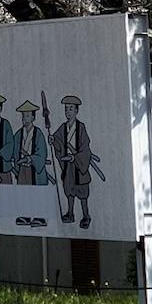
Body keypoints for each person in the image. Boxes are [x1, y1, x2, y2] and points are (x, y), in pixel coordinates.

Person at [53, 93, 100, 228]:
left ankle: (86, 215)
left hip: (79, 164)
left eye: (71, 109)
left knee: (82, 192)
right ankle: (70, 213)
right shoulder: (63, 127)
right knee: (69, 190)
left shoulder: (81, 127)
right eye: (66, 109)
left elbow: (85, 148)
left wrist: (75, 157)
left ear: (77, 111)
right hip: (68, 165)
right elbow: (58, 141)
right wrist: (53, 141)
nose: (68, 112)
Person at [14, 101, 48, 186]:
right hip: (22, 170)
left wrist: (29, 158)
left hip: (34, 171)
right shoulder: (18, 134)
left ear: (33, 117)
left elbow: (42, 154)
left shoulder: (38, 133)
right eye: (23, 116)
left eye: (27, 116)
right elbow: (14, 151)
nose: (24, 118)